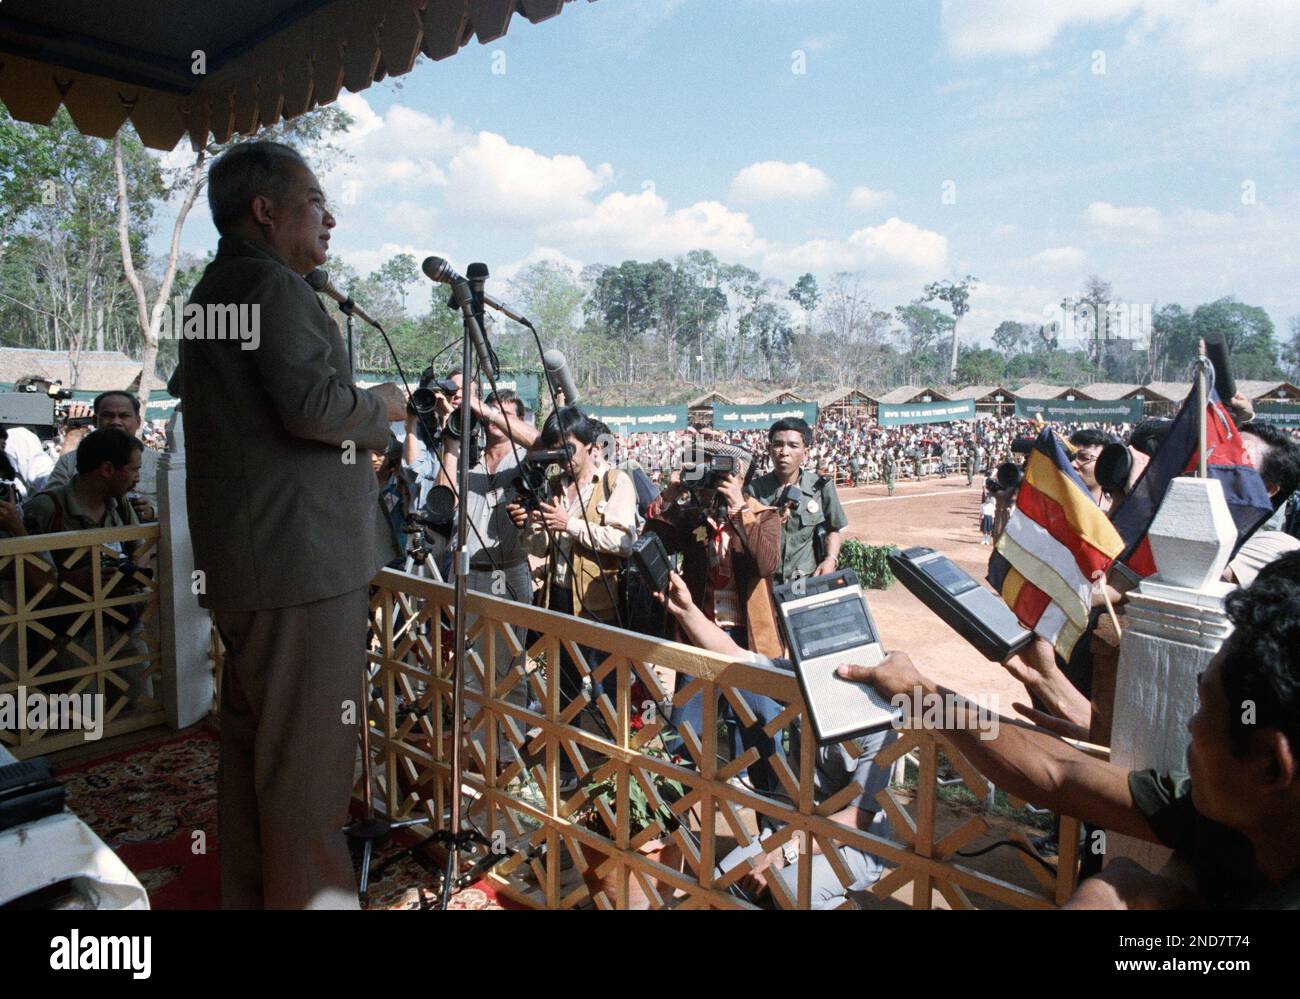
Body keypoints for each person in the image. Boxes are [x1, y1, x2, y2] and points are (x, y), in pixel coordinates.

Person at [169, 140, 408, 909]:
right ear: (265, 211)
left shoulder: (214, 287)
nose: (330, 218)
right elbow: (311, 408)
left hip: (251, 566)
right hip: (302, 570)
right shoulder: (272, 288)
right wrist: (383, 407)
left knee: (254, 758)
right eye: (314, 201)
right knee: (307, 774)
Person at [842, 554, 1300, 908]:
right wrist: (924, 694)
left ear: (1269, 764)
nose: (1190, 727)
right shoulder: (1243, 815)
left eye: (1203, 711)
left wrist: (1108, 894)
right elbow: (1060, 773)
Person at [658, 569, 895, 908]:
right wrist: (687, 611)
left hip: (854, 844)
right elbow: (734, 655)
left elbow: (858, 818)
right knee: (721, 884)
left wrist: (785, 851)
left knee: (785, 890)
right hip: (794, 827)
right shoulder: (802, 680)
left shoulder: (879, 711)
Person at [643, 442, 786, 796]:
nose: (709, 478)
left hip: (749, 645)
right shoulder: (694, 516)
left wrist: (739, 509)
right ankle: (680, 830)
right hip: (700, 638)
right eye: (703, 469)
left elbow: (767, 564)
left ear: (739, 476)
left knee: (765, 739)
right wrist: (673, 492)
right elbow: (652, 538)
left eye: (717, 470)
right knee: (683, 738)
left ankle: (778, 834)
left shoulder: (764, 515)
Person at [22, 428, 150, 703]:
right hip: (67, 633)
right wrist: (75, 580)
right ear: (107, 469)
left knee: (139, 705)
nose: (137, 477)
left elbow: (139, 551)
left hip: (121, 623)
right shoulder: (45, 509)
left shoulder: (121, 505)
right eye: (133, 469)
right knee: (84, 719)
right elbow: (28, 575)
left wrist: (129, 571)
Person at [748, 417, 847, 583]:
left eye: (793, 445)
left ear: (805, 453)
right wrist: (770, 522)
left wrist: (831, 559)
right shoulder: (753, 490)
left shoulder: (820, 487)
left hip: (804, 580)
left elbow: (834, 528)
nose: (784, 452)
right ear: (769, 449)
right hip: (765, 582)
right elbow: (745, 537)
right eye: (778, 444)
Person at [46, 391, 158, 521]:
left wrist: (153, 510)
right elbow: (53, 501)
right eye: (108, 416)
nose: (116, 422)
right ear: (94, 420)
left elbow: (180, 507)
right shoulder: (70, 461)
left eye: (124, 416)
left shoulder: (160, 463)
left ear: (138, 422)